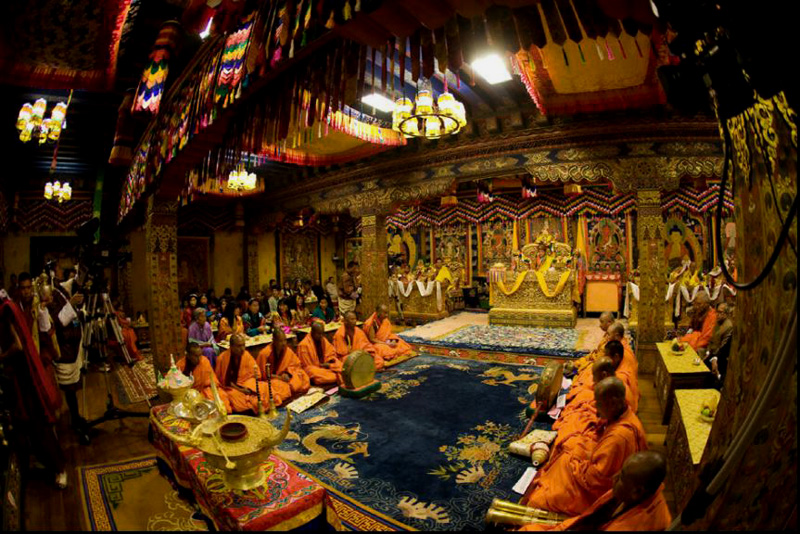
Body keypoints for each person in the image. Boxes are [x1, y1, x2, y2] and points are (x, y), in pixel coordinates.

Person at [524, 377, 647, 516]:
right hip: (597, 466)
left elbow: (596, 480)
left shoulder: (619, 438)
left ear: (613, 403)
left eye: (599, 404)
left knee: (541, 496)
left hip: (595, 492)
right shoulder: (625, 413)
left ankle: (545, 499)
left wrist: (575, 460)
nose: (597, 411)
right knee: (568, 449)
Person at [1, 288, 67, 489]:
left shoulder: (5, 309)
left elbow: (18, 346)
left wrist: (1, 358)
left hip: (24, 378)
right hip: (19, 376)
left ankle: (59, 468)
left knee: (39, 423)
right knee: (25, 425)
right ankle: (39, 461)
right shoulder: (9, 305)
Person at [519, 451, 672, 531]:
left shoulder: (637, 524)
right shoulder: (643, 491)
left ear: (637, 492)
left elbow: (596, 478)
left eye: (622, 476)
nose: (614, 477)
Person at [47, 273, 90, 444]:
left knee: (72, 388)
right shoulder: (51, 295)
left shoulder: (60, 290)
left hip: (72, 346)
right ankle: (73, 419)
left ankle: (75, 416)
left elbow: (72, 282)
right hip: (64, 348)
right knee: (68, 389)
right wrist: (71, 304)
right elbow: (58, 321)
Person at [215, 334, 270, 413]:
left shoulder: (246, 355)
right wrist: (241, 390)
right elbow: (223, 381)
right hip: (233, 388)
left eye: (243, 345)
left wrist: (248, 388)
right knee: (233, 397)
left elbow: (256, 374)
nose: (242, 349)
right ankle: (250, 408)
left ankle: (253, 405)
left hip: (248, 385)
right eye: (239, 346)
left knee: (265, 386)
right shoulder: (222, 358)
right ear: (231, 346)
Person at [256, 330, 310, 406]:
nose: (284, 343)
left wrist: (288, 373)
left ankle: (289, 390)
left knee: (303, 376)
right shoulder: (264, 354)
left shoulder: (287, 350)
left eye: (285, 340)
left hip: (286, 377)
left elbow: (296, 365)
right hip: (273, 381)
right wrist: (280, 378)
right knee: (275, 388)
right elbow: (263, 375)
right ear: (274, 341)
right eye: (280, 341)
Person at [177, 343, 231, 413]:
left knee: (221, 395)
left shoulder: (204, 361)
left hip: (204, 389)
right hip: (189, 394)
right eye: (196, 356)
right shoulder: (180, 365)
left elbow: (211, 378)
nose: (199, 359)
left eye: (200, 355)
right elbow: (178, 387)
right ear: (188, 355)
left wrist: (211, 386)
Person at [297, 322, 343, 386]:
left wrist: (329, 362)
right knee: (313, 372)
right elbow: (306, 366)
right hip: (315, 369)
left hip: (326, 366)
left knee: (340, 364)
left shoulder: (323, 340)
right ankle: (336, 375)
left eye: (322, 333)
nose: (321, 336)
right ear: (312, 332)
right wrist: (320, 366)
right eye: (319, 334)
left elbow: (330, 353)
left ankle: (333, 375)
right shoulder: (303, 345)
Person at [705, 302, 733, 389]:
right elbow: (711, 340)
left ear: (727, 314)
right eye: (717, 312)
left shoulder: (729, 326)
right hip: (712, 353)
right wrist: (708, 352)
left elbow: (723, 348)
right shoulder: (717, 322)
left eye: (721, 312)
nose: (718, 315)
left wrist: (713, 357)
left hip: (719, 357)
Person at [112, 297, 143, 362]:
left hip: (121, 328)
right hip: (118, 331)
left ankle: (133, 352)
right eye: (121, 306)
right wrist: (128, 322)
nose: (122, 307)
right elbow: (121, 322)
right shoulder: (116, 313)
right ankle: (131, 353)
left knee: (130, 331)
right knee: (129, 333)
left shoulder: (119, 313)